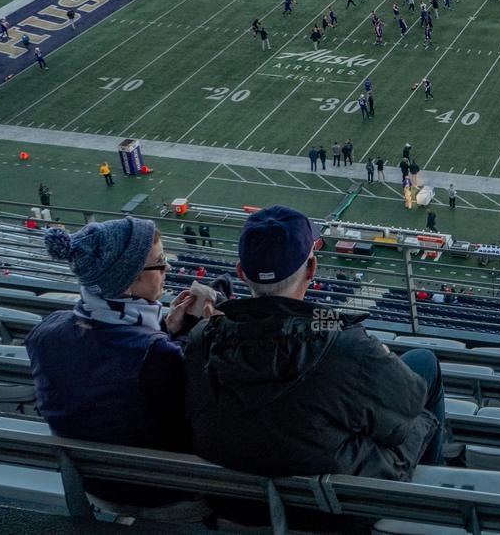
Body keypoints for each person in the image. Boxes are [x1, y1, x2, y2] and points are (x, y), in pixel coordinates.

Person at [182, 206, 444, 491]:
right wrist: (374, 352)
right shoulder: (344, 346)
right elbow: (408, 404)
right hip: (331, 505)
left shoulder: (199, 339)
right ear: (312, 268)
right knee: (423, 363)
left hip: (238, 499)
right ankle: (437, 483)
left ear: (241, 272)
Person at [27, 217, 209, 512]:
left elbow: (107, 358)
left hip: (87, 482)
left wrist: (164, 330)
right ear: (126, 282)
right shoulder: (157, 357)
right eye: (159, 263)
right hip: (156, 490)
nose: (168, 269)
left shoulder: (46, 332)